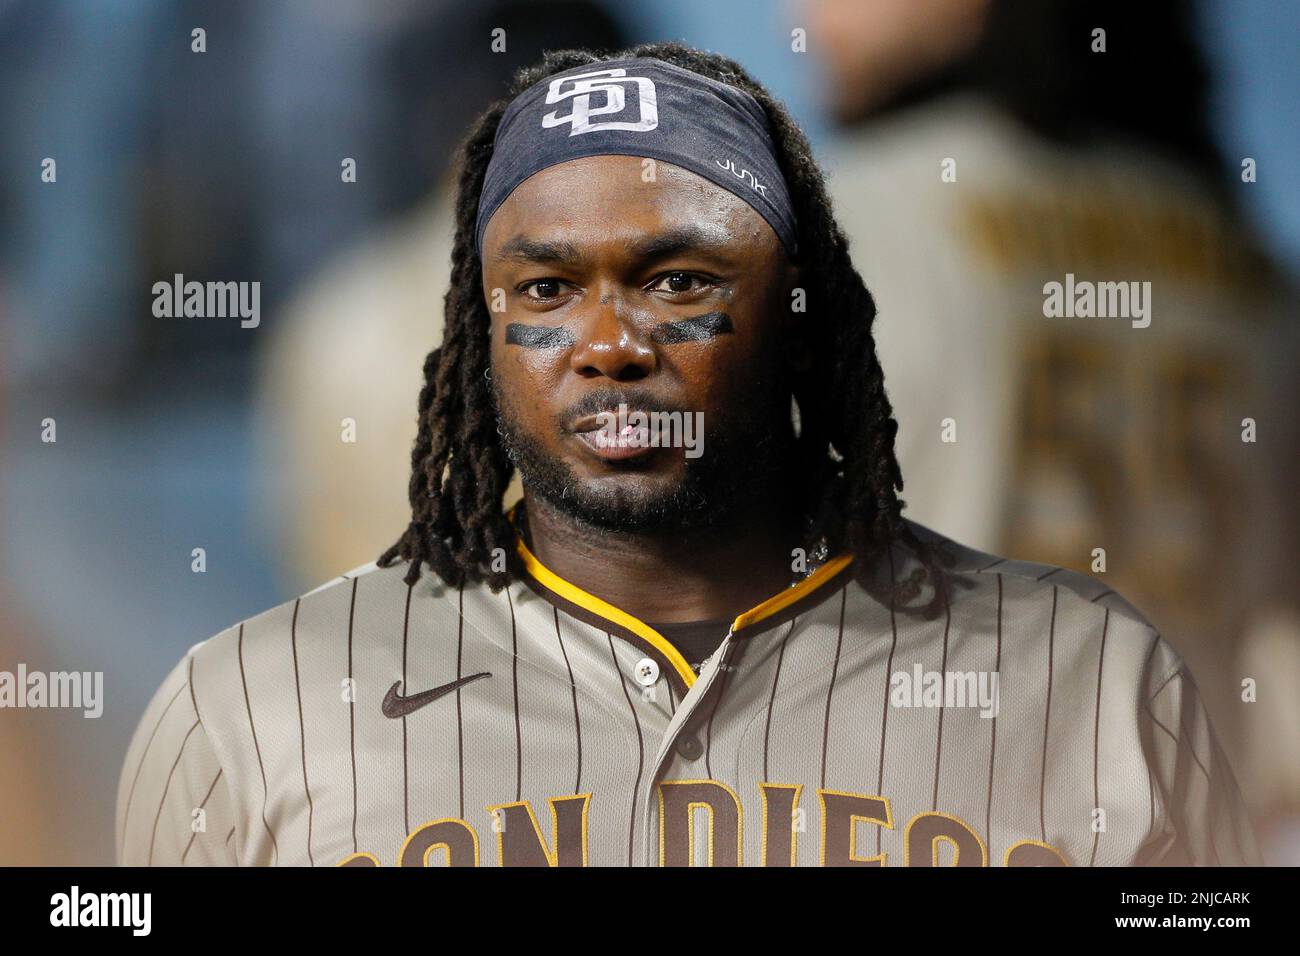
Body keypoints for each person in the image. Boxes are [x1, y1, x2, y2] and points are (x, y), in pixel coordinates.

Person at [116, 42, 1257, 867]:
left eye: (679, 282)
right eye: (548, 289)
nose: (608, 348)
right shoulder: (1236, 257)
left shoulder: (893, 216)